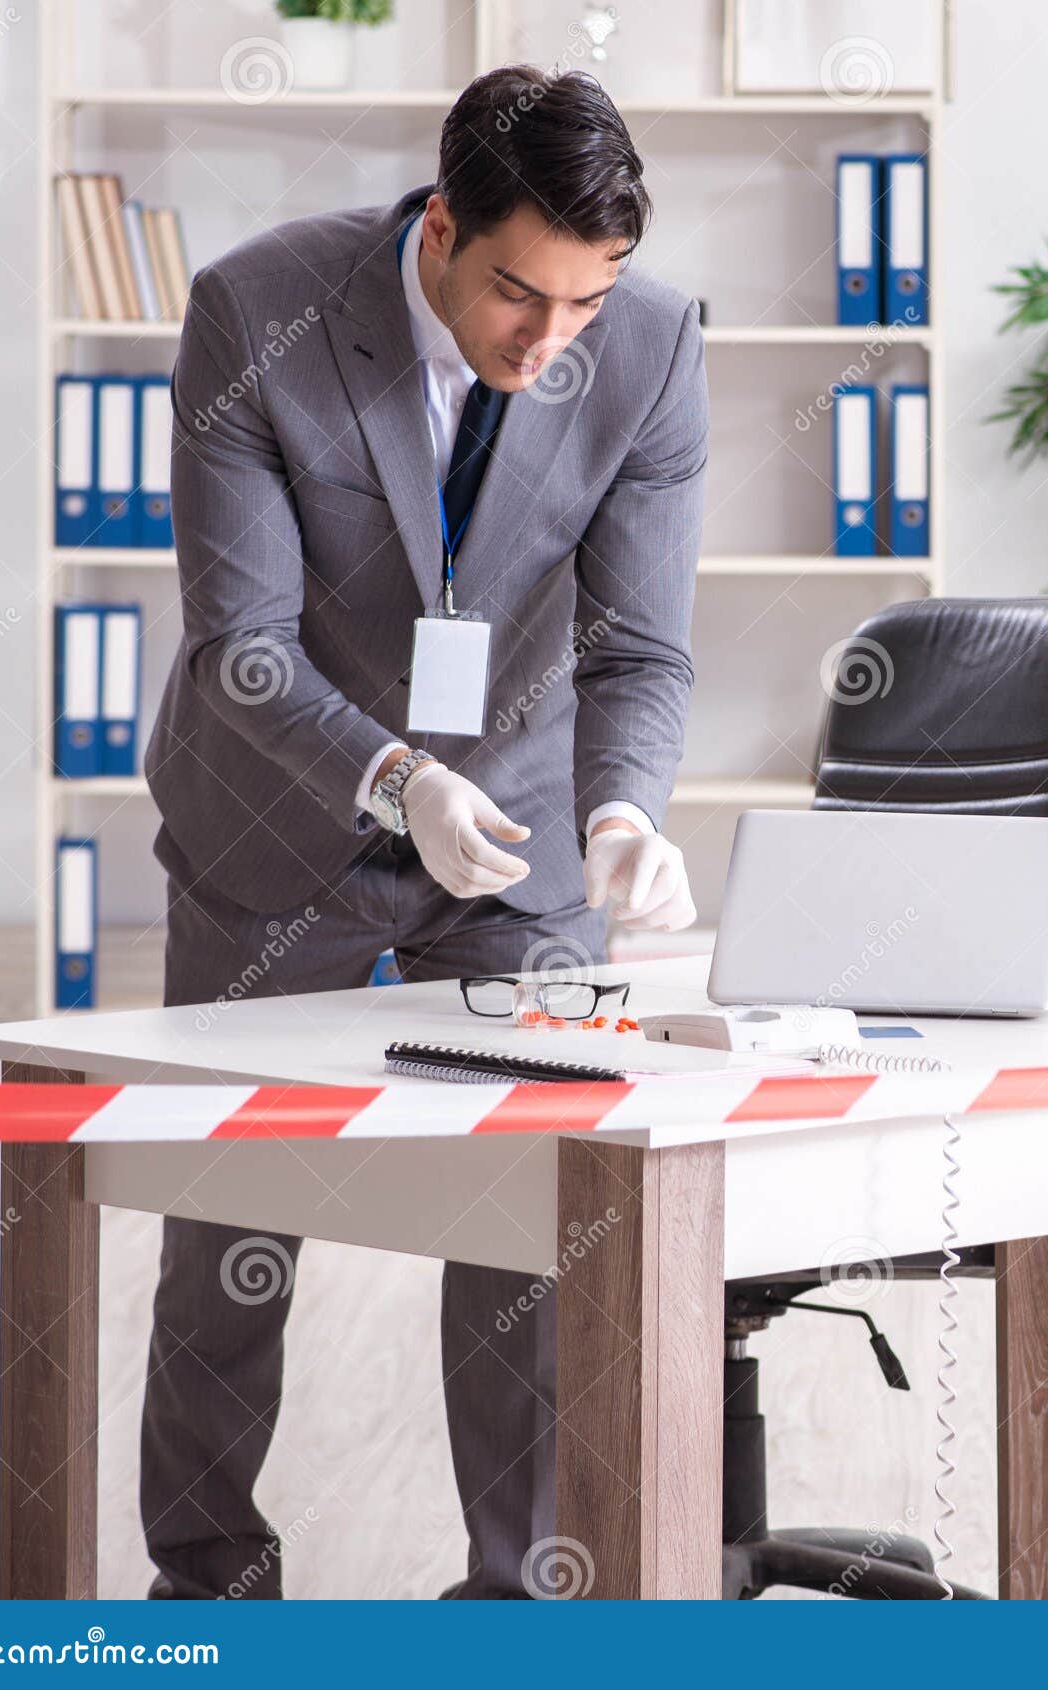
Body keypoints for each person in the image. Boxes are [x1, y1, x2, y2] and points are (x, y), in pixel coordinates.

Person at [139, 63, 706, 1599]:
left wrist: (621, 811)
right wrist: (399, 781)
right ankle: (207, 1580)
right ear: (443, 226)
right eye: (521, 295)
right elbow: (240, 643)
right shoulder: (260, 311)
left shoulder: (650, 348)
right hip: (275, 816)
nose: (549, 343)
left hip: (518, 835)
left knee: (531, 1224)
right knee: (226, 1228)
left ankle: (516, 1596)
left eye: (585, 304)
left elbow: (641, 651)